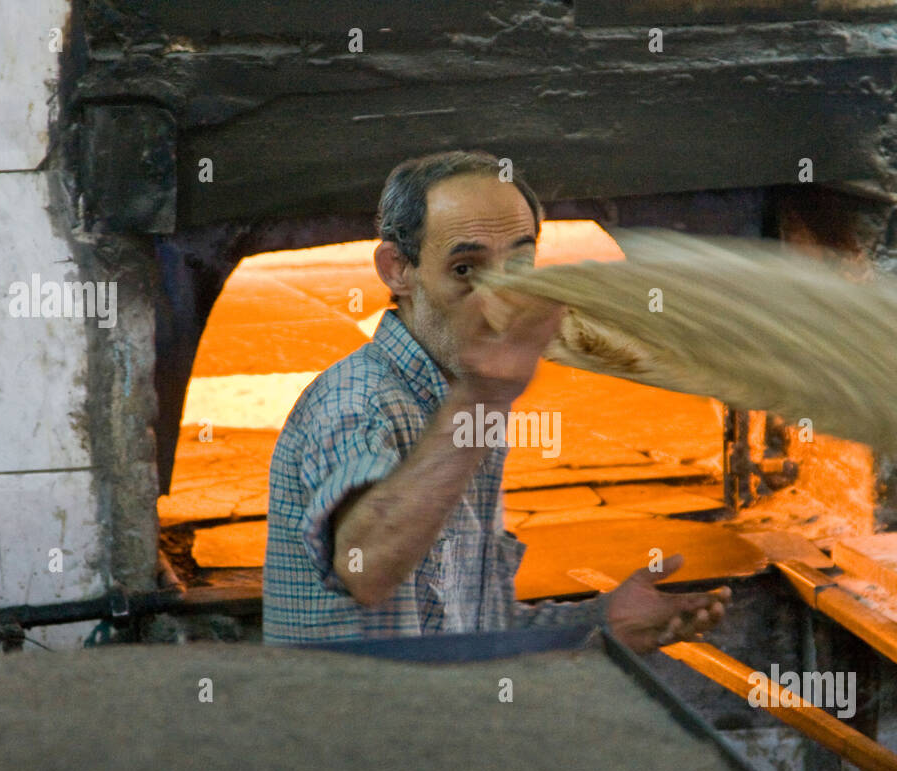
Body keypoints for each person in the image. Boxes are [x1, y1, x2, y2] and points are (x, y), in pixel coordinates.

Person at [263, 150, 728, 652]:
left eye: (519, 266)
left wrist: (599, 624)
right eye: (465, 269)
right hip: (368, 727)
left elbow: (474, 630)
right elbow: (366, 570)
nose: (500, 298)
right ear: (397, 269)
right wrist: (484, 397)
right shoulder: (358, 402)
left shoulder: (457, 400)